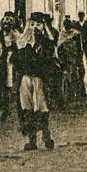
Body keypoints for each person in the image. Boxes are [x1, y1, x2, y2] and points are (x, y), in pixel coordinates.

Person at [14, 13, 58, 150]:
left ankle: (47, 138)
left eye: (38, 25)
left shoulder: (46, 42)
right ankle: (32, 140)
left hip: (40, 79)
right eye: (32, 24)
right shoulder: (23, 42)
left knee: (41, 108)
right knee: (27, 108)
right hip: (26, 79)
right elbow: (18, 57)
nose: (34, 28)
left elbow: (51, 45)